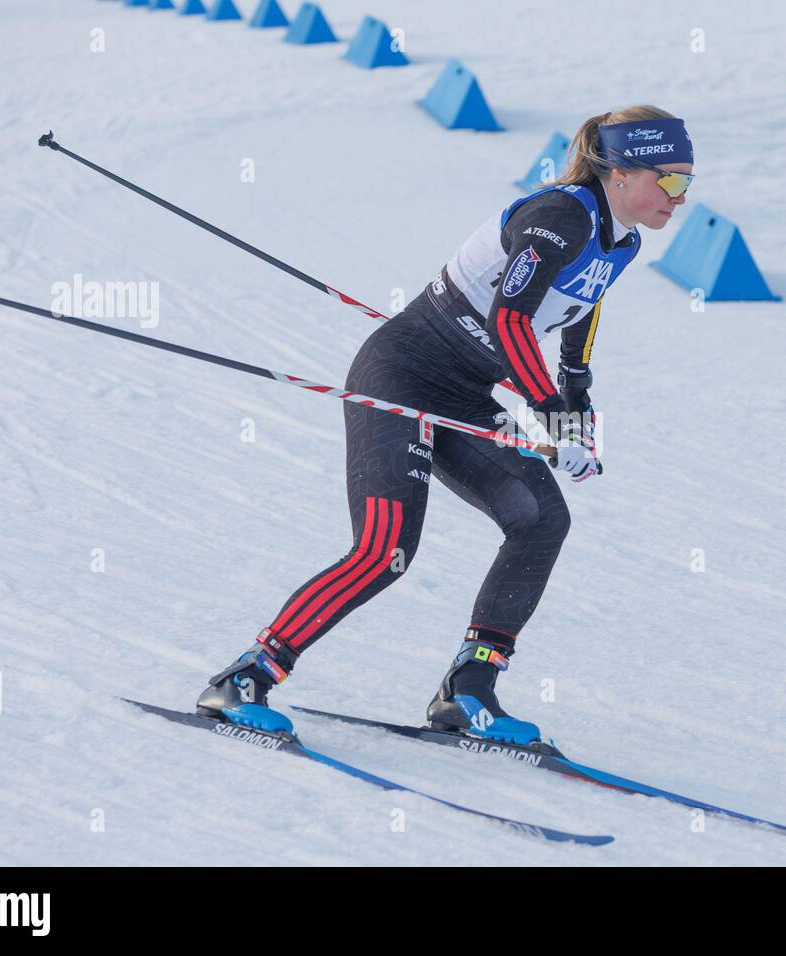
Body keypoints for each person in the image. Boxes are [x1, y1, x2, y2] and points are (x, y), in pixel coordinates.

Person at [196, 105, 695, 744]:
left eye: (689, 184)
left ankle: (469, 690)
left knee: (542, 519)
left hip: (463, 392)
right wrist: (548, 414)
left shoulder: (622, 240)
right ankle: (246, 677)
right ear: (622, 171)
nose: (680, 199)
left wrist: (576, 406)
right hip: (399, 375)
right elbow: (511, 322)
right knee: (386, 549)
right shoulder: (559, 217)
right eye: (672, 181)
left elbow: (578, 321)